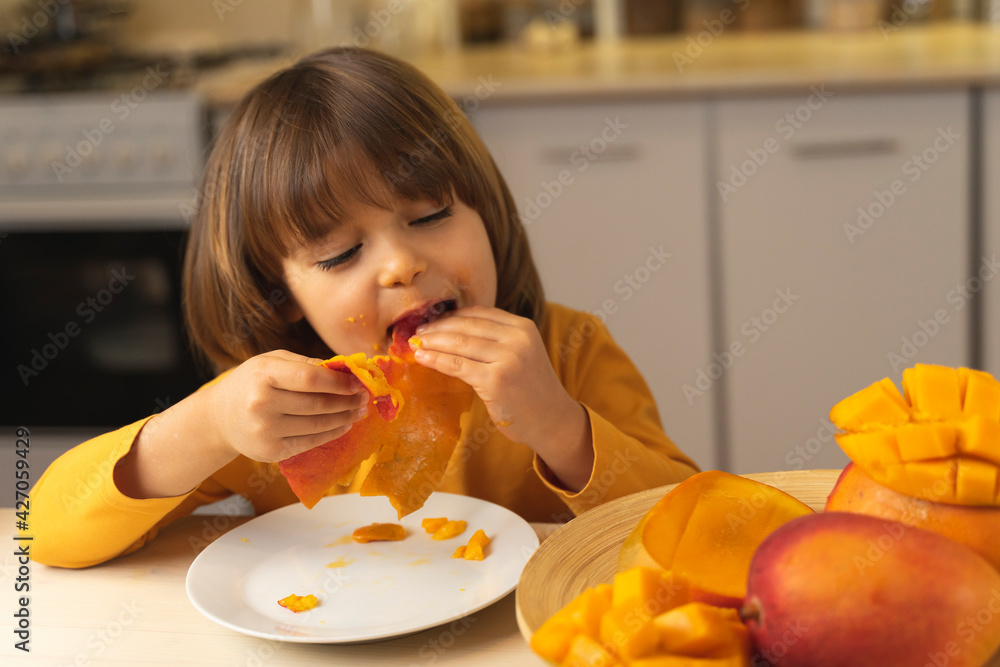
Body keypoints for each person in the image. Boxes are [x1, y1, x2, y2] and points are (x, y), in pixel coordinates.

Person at [28, 47, 699, 568]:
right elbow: (46, 532)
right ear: (280, 293)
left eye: (430, 215)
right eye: (341, 253)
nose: (401, 264)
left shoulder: (567, 352)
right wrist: (208, 426)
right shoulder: (273, 409)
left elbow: (695, 533)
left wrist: (560, 427)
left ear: (486, 212)